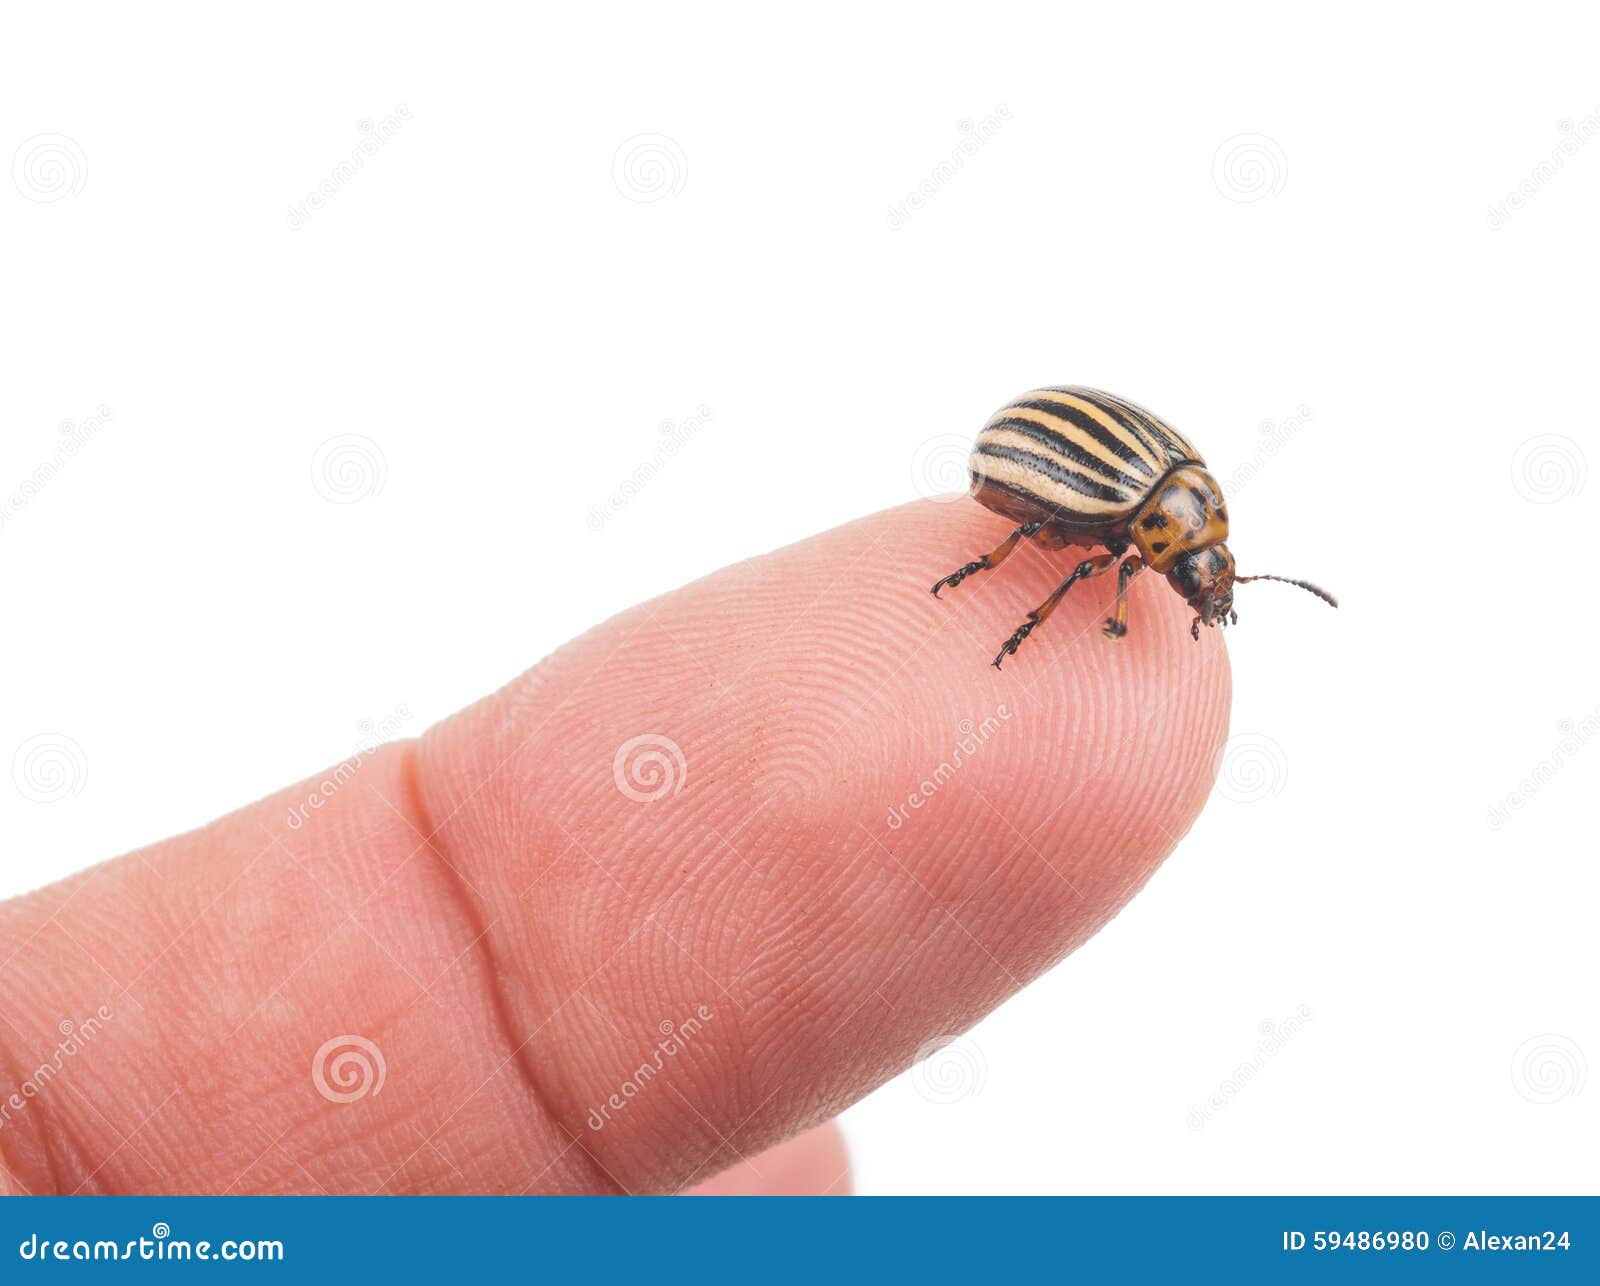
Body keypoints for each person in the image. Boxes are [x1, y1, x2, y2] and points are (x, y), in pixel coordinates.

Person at [0, 499, 1228, 1195]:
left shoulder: (1160, 527)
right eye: (1194, 573)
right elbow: (1082, 550)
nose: (1199, 586)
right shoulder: (1124, 543)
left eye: (1201, 576)